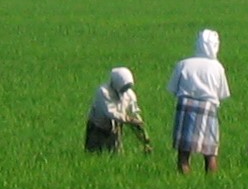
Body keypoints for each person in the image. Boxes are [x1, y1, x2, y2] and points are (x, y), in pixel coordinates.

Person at [167, 29, 230, 174]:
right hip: (208, 107)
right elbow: (222, 94)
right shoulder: (217, 67)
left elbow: (173, 89)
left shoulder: (183, 64)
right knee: (210, 153)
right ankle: (211, 182)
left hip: (184, 107)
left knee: (183, 154)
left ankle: (184, 180)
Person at [85, 66, 152, 153]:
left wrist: (142, 133)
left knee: (115, 153)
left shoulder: (129, 94)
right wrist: (130, 120)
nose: (125, 89)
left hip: (115, 127)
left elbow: (134, 112)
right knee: (94, 153)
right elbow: (111, 113)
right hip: (98, 128)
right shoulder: (103, 92)